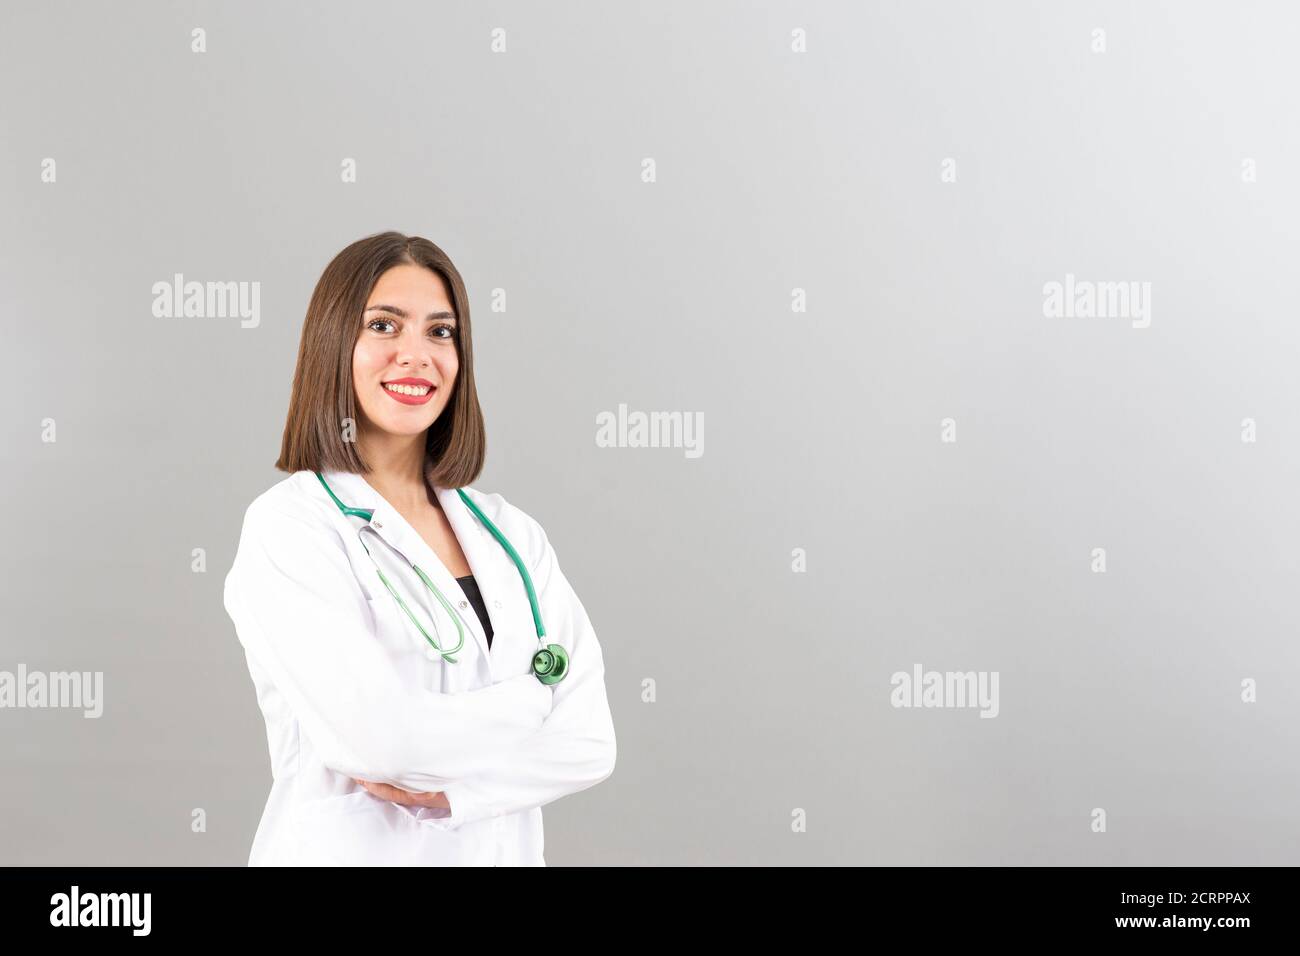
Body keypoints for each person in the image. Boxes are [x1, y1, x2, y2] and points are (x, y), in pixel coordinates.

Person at [222, 231, 616, 865]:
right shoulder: (292, 527)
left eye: (441, 332)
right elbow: (380, 742)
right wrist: (532, 702)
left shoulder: (511, 535)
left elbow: (591, 742)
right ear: (333, 344)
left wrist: (461, 791)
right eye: (384, 325)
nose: (417, 355)